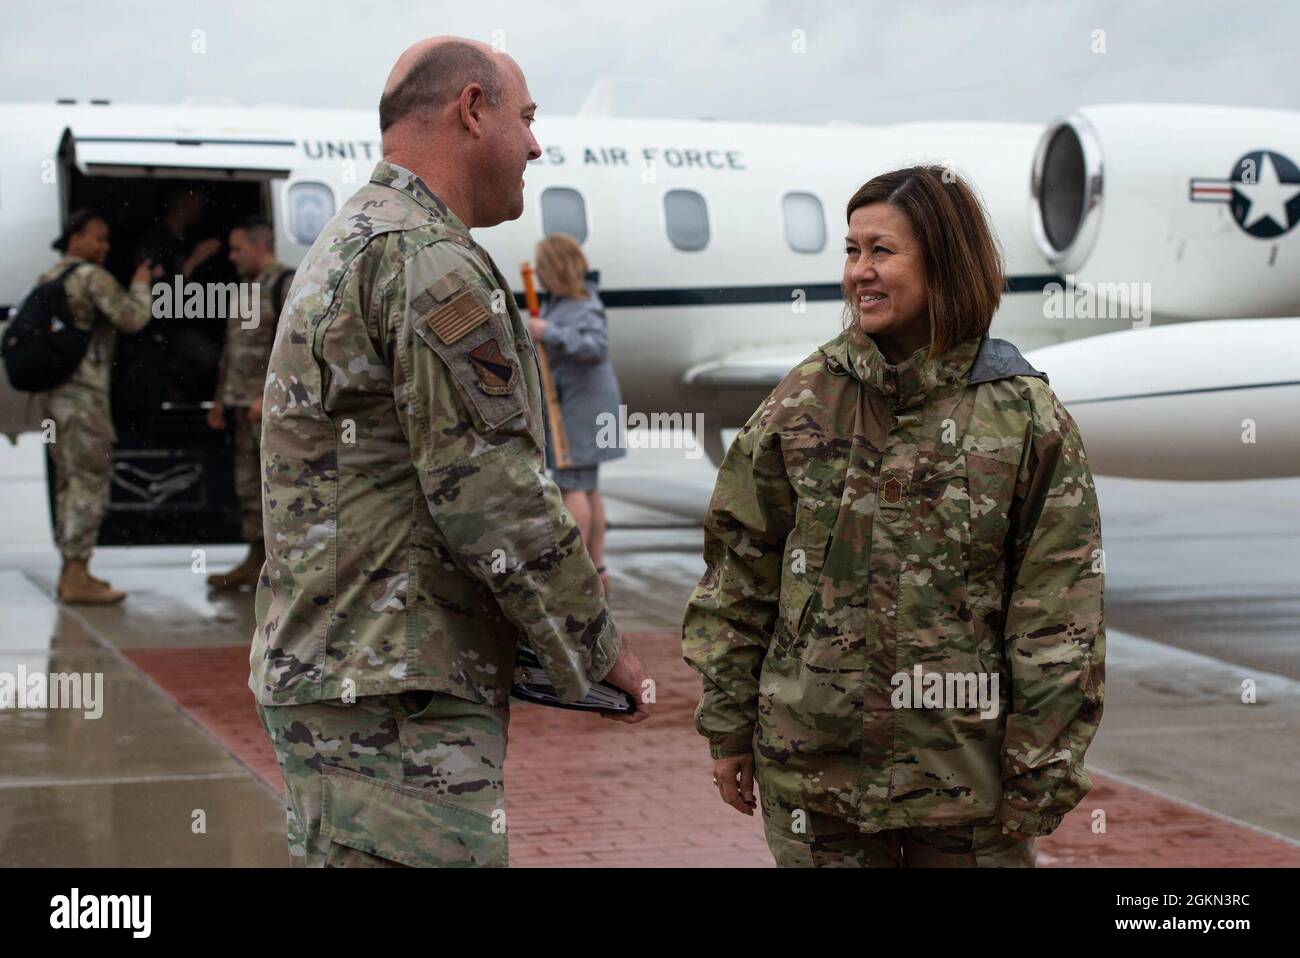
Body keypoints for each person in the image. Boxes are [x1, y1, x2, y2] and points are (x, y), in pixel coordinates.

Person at [250, 36, 654, 868]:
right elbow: (490, 488)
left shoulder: (358, 237)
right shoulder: (425, 258)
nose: (537, 147)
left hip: (347, 669)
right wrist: (595, 644)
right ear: (474, 110)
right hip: (396, 687)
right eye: (528, 119)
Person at [682, 166, 1105, 868]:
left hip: (967, 793)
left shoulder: (1024, 418)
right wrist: (727, 729)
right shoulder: (802, 403)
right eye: (852, 251)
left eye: (882, 251)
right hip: (816, 782)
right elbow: (737, 576)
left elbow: (1060, 617)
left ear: (943, 261)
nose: (860, 273)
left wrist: (1042, 771)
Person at [39, 211, 154, 603]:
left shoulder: (51, 277)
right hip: (85, 401)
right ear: (76, 237)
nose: (105, 247)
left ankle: (71, 569)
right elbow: (132, 318)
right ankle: (77, 573)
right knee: (89, 483)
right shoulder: (90, 277)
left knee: (69, 482)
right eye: (98, 238)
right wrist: (141, 286)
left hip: (56, 401)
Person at [528, 233, 626, 594]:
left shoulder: (582, 303)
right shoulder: (569, 301)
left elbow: (595, 347)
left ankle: (576, 571)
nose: (537, 275)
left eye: (542, 268)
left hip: (580, 412)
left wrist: (549, 332)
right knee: (588, 488)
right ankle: (597, 567)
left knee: (573, 487)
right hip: (581, 408)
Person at [206, 216, 294, 590]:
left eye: (238, 248)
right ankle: (256, 559)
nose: (232, 255)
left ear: (261, 246)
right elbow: (232, 349)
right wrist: (220, 399)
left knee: (276, 486)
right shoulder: (246, 290)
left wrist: (267, 395)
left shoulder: (283, 284)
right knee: (248, 485)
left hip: (268, 409)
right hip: (241, 406)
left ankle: (280, 565)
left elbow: (291, 344)